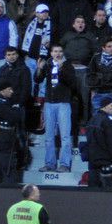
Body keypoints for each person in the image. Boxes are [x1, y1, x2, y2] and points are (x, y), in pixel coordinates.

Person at [35, 44, 77, 172]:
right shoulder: (47, 65)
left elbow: (72, 83)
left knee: (65, 136)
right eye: (55, 51)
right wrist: (39, 69)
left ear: (63, 53)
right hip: (49, 103)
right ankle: (50, 164)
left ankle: (64, 164)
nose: (57, 54)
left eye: (60, 51)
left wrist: (61, 69)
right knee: (49, 136)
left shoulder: (68, 66)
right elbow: (37, 80)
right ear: (51, 53)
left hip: (63, 103)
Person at [86, 95, 112, 188]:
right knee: (109, 192)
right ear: (105, 106)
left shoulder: (92, 120)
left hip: (93, 163)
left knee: (93, 192)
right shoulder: (108, 121)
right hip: (106, 163)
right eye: (111, 105)